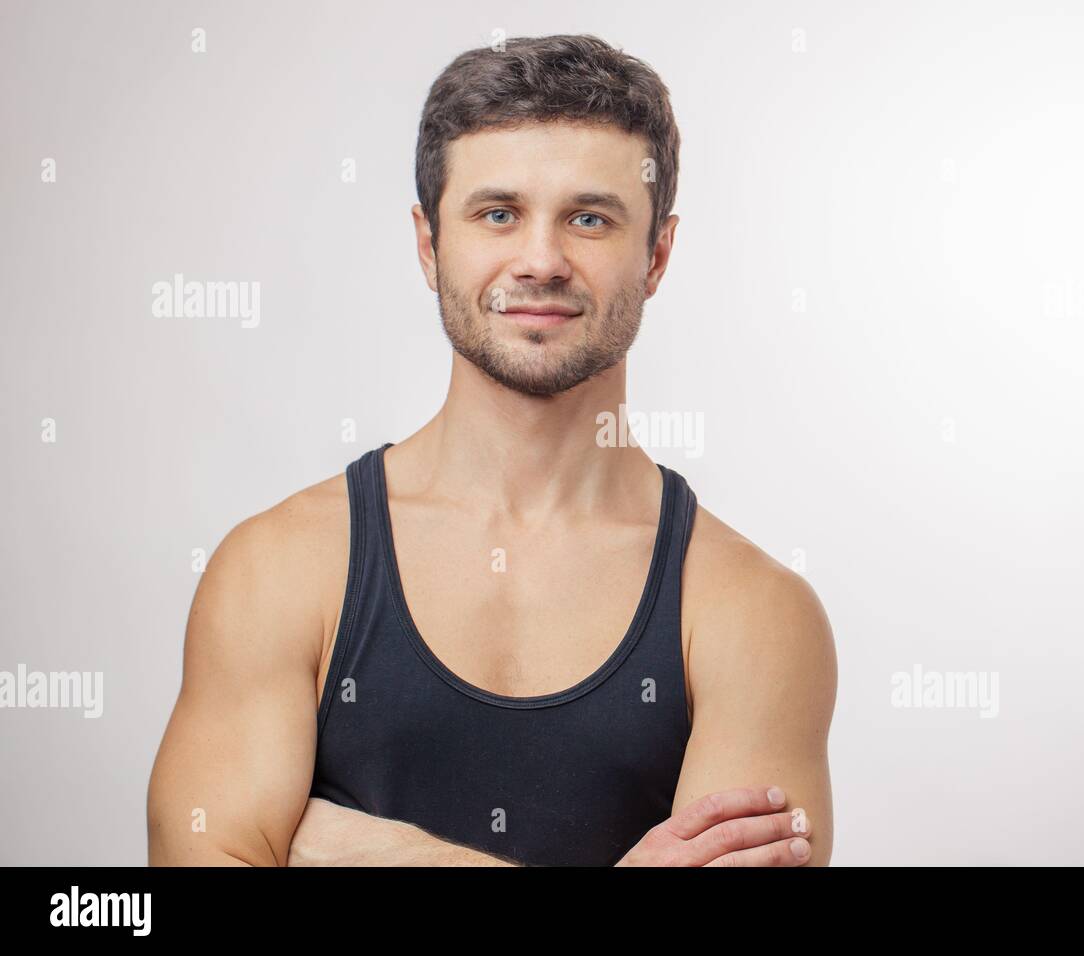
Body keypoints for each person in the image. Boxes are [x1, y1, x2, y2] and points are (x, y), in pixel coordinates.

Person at [147, 33, 837, 867]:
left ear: (657, 254)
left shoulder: (754, 616)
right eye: (498, 213)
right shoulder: (279, 569)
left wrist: (364, 851)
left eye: (589, 218)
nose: (541, 261)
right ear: (429, 244)